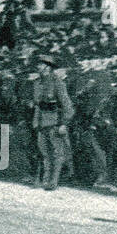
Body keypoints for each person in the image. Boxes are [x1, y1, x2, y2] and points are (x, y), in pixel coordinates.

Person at [32, 53, 74, 191]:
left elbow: (67, 106)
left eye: (41, 64)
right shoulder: (37, 83)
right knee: (44, 152)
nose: (38, 66)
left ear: (48, 67)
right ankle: (45, 179)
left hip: (54, 122)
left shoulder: (57, 83)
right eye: (38, 64)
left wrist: (63, 123)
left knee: (57, 152)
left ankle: (53, 181)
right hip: (40, 122)